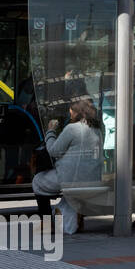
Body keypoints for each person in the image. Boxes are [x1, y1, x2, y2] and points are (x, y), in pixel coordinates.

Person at [32, 98, 103, 235]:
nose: (69, 114)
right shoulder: (97, 130)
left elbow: (53, 150)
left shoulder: (72, 129)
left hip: (71, 178)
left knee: (38, 182)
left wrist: (51, 131)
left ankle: (46, 223)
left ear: (77, 113)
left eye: (71, 112)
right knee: (69, 199)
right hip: (93, 178)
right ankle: (76, 218)